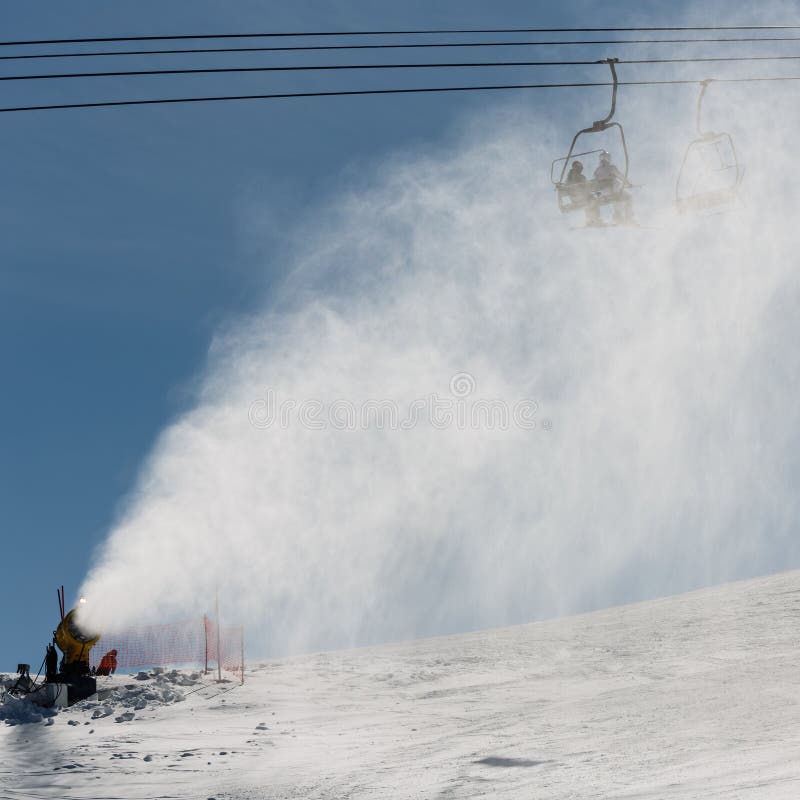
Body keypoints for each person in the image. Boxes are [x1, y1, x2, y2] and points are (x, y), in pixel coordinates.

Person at [592, 151, 634, 224]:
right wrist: (628, 183)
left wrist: (597, 191)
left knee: (617, 198)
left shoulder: (597, 170)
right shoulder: (611, 167)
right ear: (608, 158)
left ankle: (618, 217)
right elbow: (620, 176)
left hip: (603, 192)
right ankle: (627, 218)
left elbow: (595, 182)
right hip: (612, 190)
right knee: (628, 197)